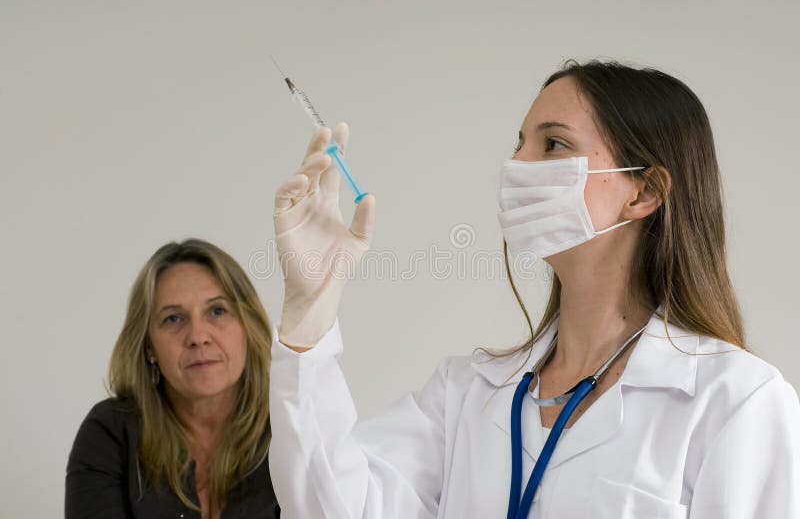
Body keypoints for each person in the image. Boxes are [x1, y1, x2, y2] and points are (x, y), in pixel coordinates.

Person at [267, 60, 800, 518]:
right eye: (519, 143)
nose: (516, 164)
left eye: (552, 144)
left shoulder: (734, 401)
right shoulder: (467, 398)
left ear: (644, 192)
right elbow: (327, 506)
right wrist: (308, 317)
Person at [66, 239, 280, 519]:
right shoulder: (111, 433)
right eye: (173, 319)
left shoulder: (291, 428)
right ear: (148, 347)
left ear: (248, 328)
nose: (197, 336)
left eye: (217, 311)